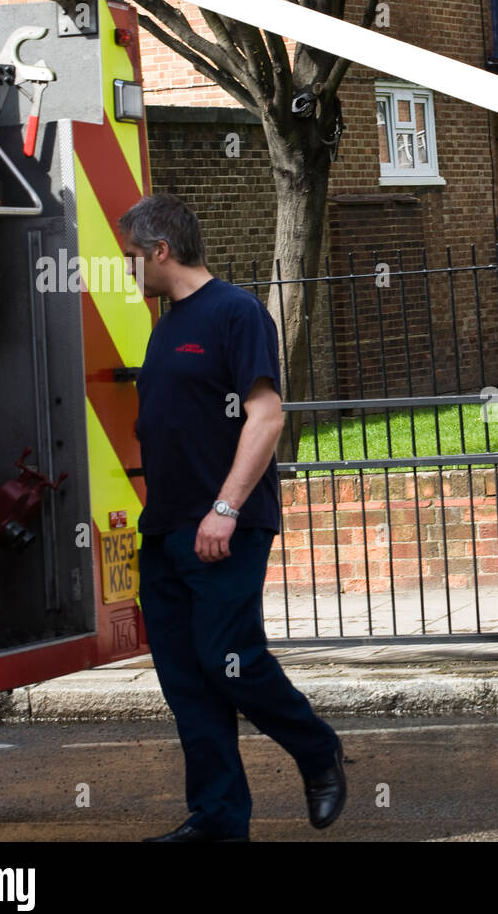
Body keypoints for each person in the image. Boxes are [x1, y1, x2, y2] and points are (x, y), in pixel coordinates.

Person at [120, 194, 345, 842]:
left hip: (225, 527)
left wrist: (225, 508)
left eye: (132, 258)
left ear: (161, 252)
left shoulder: (235, 313)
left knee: (228, 659)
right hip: (164, 532)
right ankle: (218, 820)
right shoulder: (166, 323)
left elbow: (267, 416)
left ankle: (316, 749)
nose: (127, 272)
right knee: (185, 676)